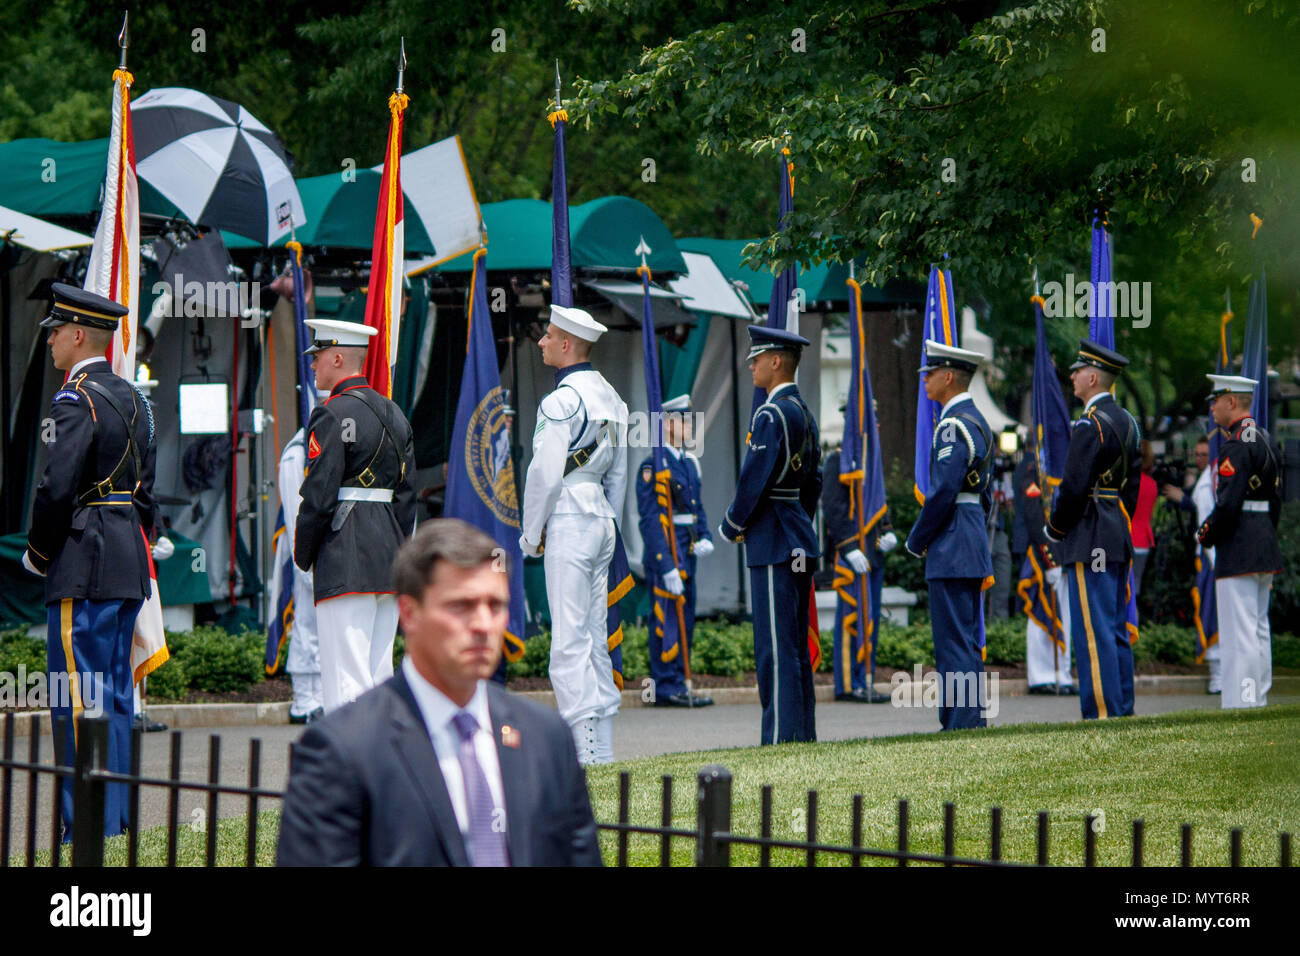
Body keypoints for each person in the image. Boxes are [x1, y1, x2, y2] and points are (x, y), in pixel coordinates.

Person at [277, 519, 602, 866]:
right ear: (409, 613)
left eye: (495, 606)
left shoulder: (547, 738)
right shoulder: (343, 750)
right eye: (460, 606)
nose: (482, 625)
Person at [22, 283, 155, 838]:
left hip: (85, 559)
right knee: (116, 699)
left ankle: (89, 830)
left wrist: (37, 553)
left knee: (78, 700)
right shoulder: (135, 399)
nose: (50, 340)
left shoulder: (75, 399)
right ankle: (117, 824)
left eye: (55, 330)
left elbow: (56, 489)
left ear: (78, 334)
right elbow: (146, 490)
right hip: (125, 561)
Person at [519, 304, 628, 765]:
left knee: (567, 639)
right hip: (600, 516)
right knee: (594, 633)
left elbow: (544, 474)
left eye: (548, 336)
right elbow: (618, 475)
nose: (541, 342)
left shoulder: (560, 401)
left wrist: (530, 533)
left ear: (566, 344)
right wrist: (611, 522)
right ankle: (600, 744)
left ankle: (581, 751)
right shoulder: (612, 396)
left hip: (568, 515)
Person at [294, 319, 417, 713]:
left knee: (345, 675)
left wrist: (305, 553)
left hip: (344, 549)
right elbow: (407, 498)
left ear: (338, 357)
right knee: (379, 673)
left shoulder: (331, 414)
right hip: (390, 556)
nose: (313, 366)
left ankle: (351, 769)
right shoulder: (395, 413)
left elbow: (319, 493)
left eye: (317, 358)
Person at [719, 326, 821, 745]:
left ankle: (780, 736)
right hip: (795, 532)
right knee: (794, 646)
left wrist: (732, 523)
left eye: (757, 358)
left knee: (776, 648)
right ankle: (800, 734)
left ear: (776, 361)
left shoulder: (771, 414)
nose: (752, 365)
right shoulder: (803, 411)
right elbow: (814, 480)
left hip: (773, 539)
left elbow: (754, 478)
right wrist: (800, 520)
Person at [1045, 340, 1141, 720]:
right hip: (1115, 527)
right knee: (1114, 625)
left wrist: (1055, 528)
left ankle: (1102, 710)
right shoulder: (1129, 422)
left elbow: (1072, 487)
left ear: (1092, 376)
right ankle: (1122, 706)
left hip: (1090, 532)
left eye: (1076, 371)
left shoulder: (1091, 423)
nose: (1071, 376)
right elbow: (1131, 486)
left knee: (1093, 627)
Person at [905, 341, 994, 731]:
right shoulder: (978, 420)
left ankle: (962, 721)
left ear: (949, 377)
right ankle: (969, 716)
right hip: (969, 536)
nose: (925, 380)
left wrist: (917, 538)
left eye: (931, 373)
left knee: (953, 639)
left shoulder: (952, 426)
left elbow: (942, 492)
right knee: (965, 636)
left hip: (952, 539)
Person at [1196, 375, 1283, 710]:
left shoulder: (1235, 445)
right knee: (1259, 627)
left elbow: (1228, 505)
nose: (1212, 407)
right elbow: (1275, 499)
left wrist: (1205, 533)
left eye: (1215, 400)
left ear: (1231, 401)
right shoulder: (1263, 438)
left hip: (1240, 544)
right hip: (1263, 540)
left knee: (1240, 631)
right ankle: (1256, 697)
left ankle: (1243, 702)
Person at [635, 393, 714, 708]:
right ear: (667, 424)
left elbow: (696, 507)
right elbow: (650, 520)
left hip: (688, 550)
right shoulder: (653, 465)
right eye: (683, 420)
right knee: (665, 619)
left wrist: (705, 534)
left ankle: (681, 680)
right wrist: (665, 565)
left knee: (686, 618)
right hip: (666, 553)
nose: (688, 426)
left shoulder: (689, 462)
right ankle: (665, 685)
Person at [821, 411, 897, 703]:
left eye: (877, 421)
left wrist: (887, 530)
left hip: (873, 553)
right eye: (870, 421)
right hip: (851, 554)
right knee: (851, 618)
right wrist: (849, 548)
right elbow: (834, 509)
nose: (875, 426)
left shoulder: (872, 464)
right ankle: (848, 684)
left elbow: (879, 507)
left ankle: (866, 676)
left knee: (871, 619)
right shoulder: (837, 460)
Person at [1013, 442, 1074, 694]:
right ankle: (1040, 675)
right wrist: (1049, 556)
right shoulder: (1032, 465)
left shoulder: (1064, 462)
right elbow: (1033, 513)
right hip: (1041, 551)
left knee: (1066, 615)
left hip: (1067, 549)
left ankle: (1063, 673)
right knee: (1041, 613)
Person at [1162, 436, 1221, 692]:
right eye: (1196, 455)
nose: (1198, 460)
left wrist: (1183, 499)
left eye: (1203, 455)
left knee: (1212, 613)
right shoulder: (1205, 478)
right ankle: (1218, 671)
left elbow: (1206, 515)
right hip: (1205, 555)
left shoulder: (1211, 480)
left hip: (1212, 556)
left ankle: (1219, 673)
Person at [279, 427, 324, 722]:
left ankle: (317, 696)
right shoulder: (296, 454)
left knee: (321, 629)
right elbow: (296, 513)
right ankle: (304, 700)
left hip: (324, 551)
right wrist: (304, 563)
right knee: (307, 626)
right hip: (307, 550)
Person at [1130, 441, 1159, 598]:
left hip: (1127, 539)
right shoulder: (1152, 484)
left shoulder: (1127, 483)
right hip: (1143, 541)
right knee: (1135, 589)